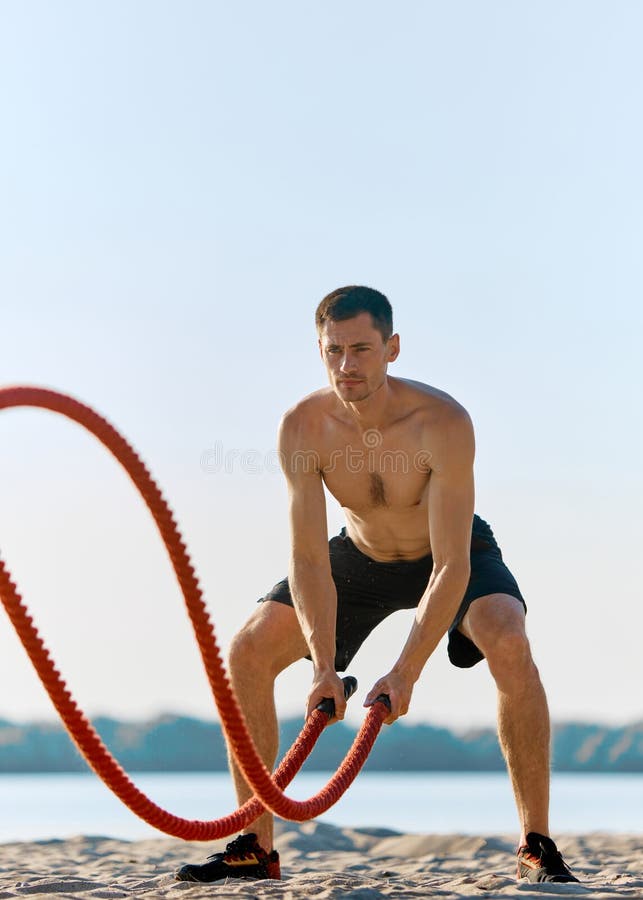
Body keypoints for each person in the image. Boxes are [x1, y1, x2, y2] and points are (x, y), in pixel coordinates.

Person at [175, 286, 578, 885]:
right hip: (358, 557)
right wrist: (320, 668)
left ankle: (537, 843)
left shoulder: (441, 422)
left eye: (361, 348)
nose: (347, 365)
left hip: (452, 552)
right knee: (247, 650)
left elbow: (451, 566)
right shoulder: (303, 426)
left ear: (392, 348)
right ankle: (254, 848)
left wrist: (405, 670)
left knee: (507, 634)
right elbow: (310, 559)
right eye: (332, 351)